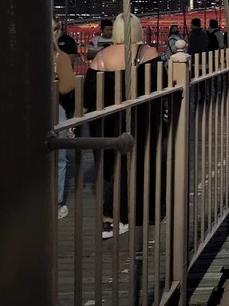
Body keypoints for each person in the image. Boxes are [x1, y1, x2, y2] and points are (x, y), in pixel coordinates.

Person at [84, 13, 162, 240]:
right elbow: (160, 85)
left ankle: (109, 219)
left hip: (105, 119)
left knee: (109, 166)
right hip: (138, 116)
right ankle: (128, 214)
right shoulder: (147, 53)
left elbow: (89, 95)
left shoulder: (100, 57)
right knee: (134, 164)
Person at [54, 26, 76, 219]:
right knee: (59, 156)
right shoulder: (57, 57)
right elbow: (69, 85)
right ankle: (57, 202)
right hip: (53, 108)